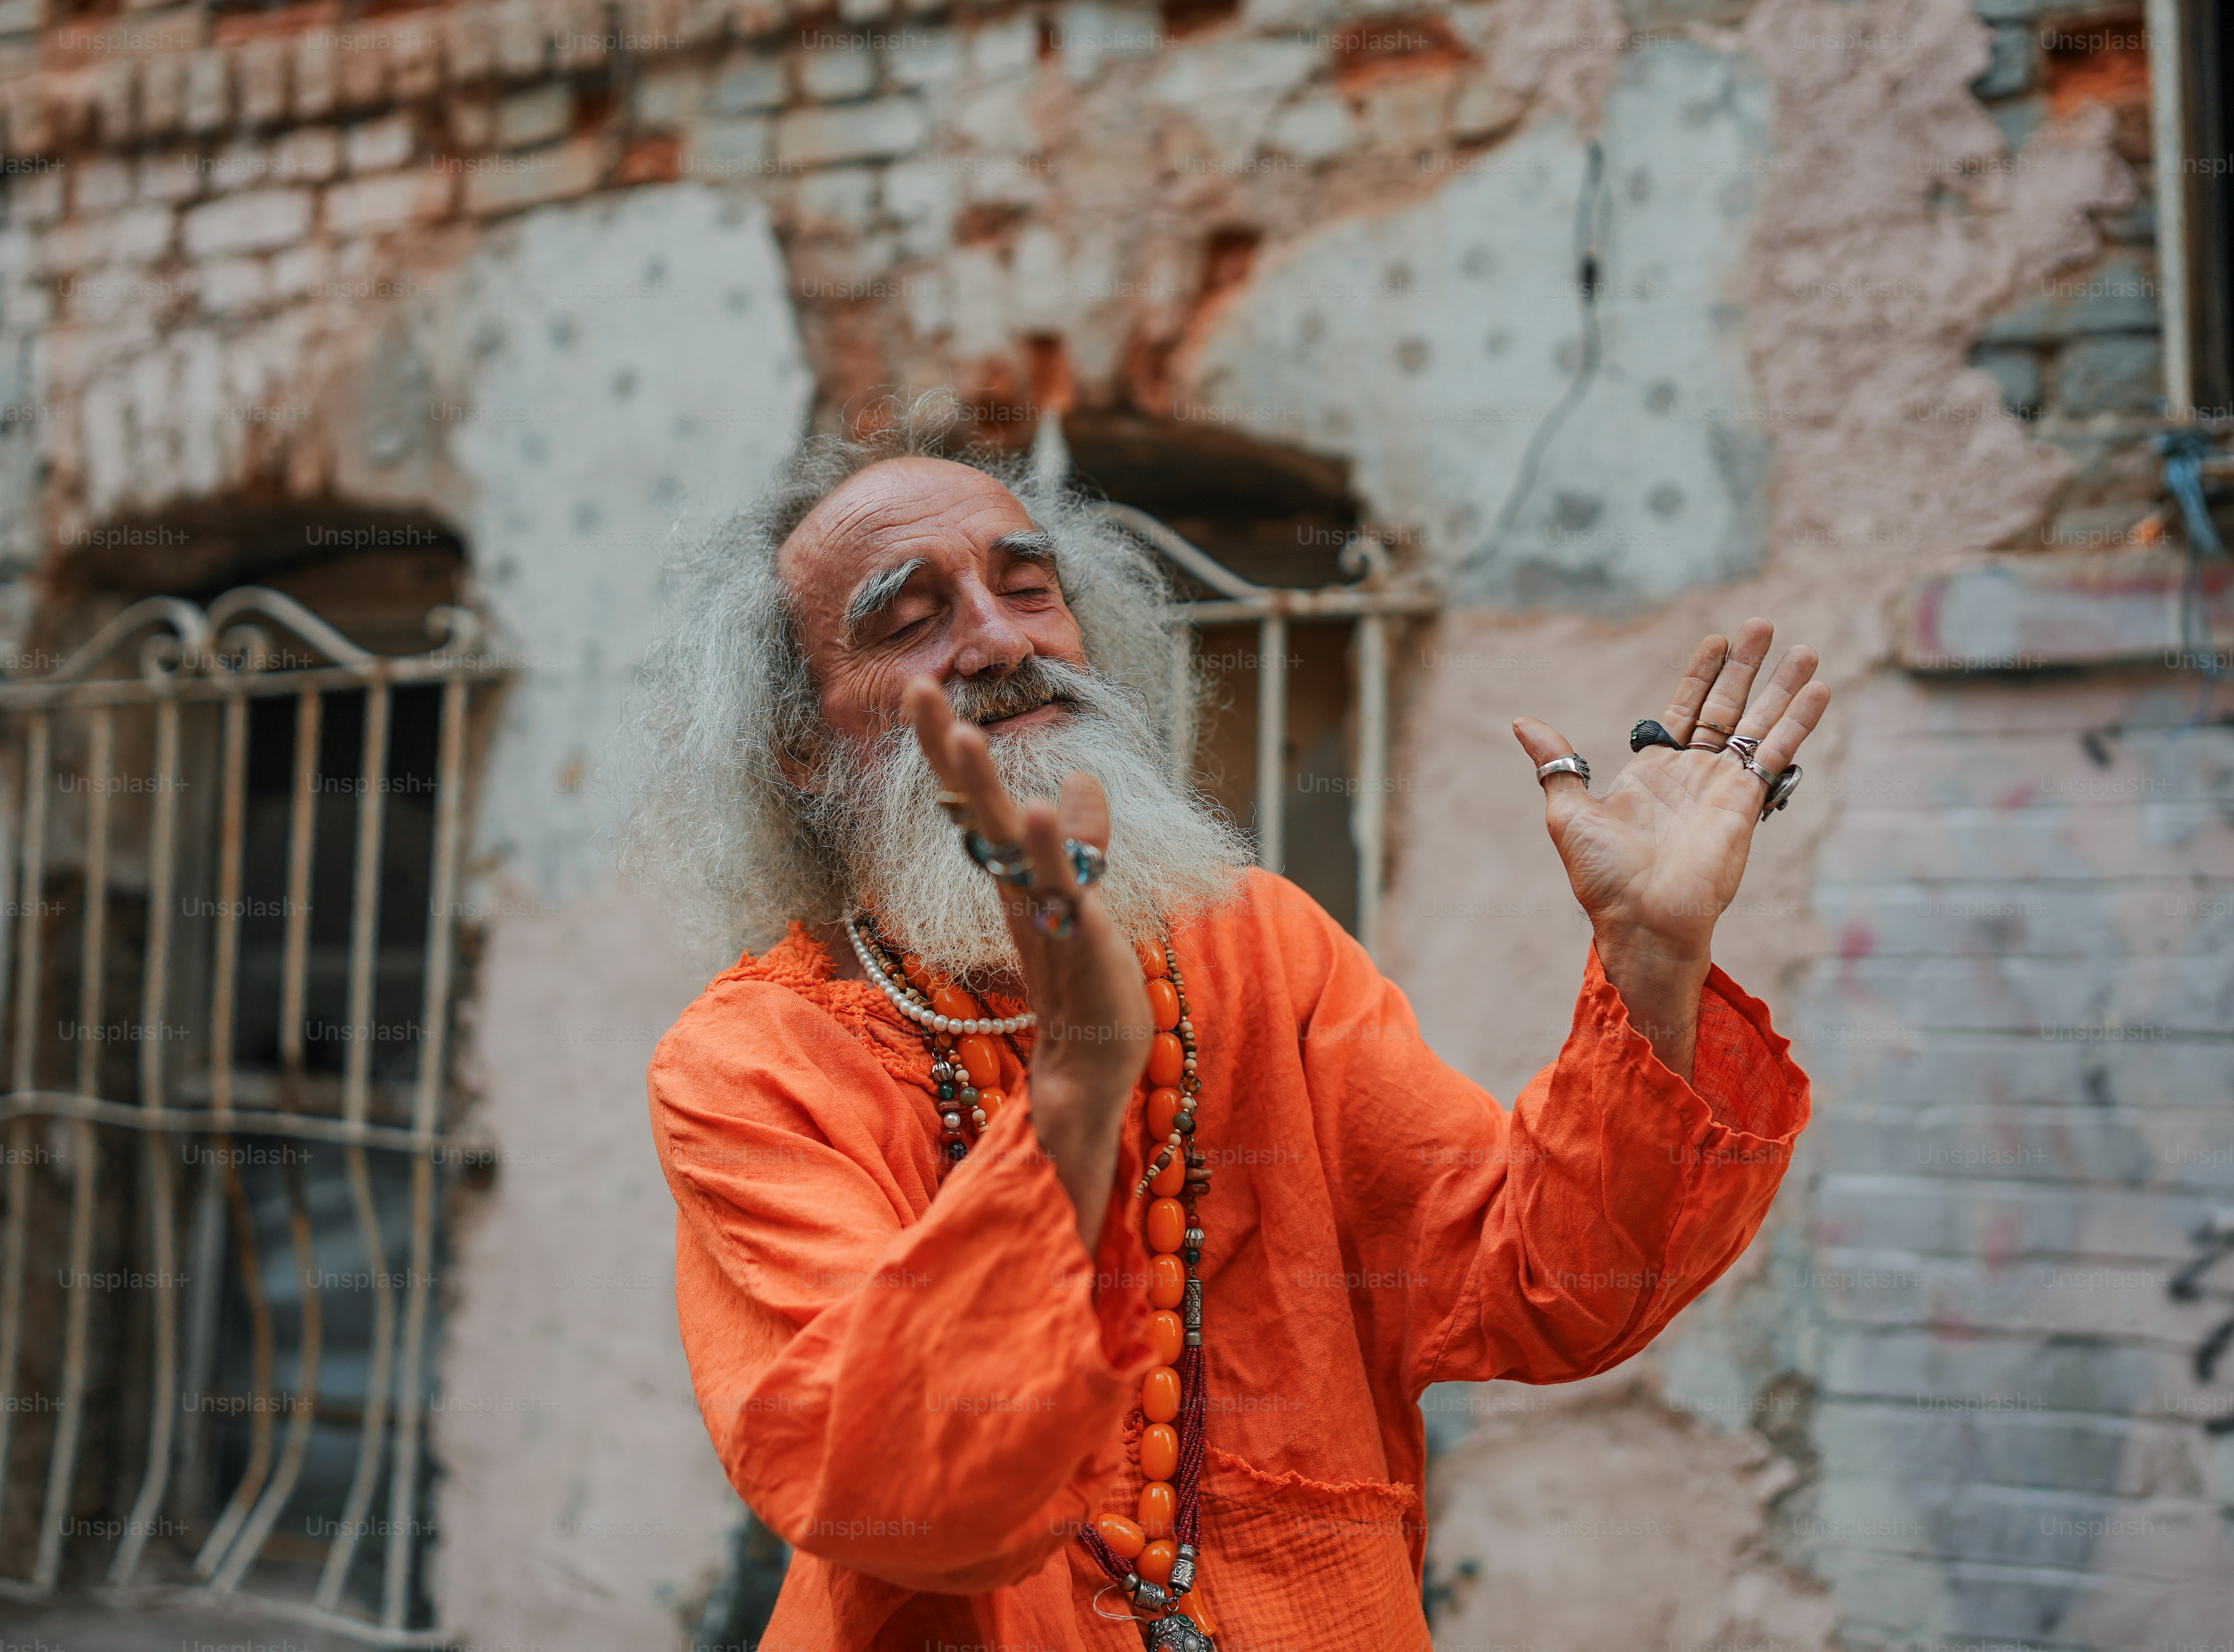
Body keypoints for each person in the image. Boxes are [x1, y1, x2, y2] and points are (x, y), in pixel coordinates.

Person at [626, 400, 1831, 1652]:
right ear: (800, 751)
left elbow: (1543, 1284)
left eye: (1028, 588)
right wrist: (1078, 1102)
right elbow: (888, 1495)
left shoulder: (1258, 941)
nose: (997, 643)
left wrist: (1649, 959)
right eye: (909, 621)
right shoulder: (751, 1065)